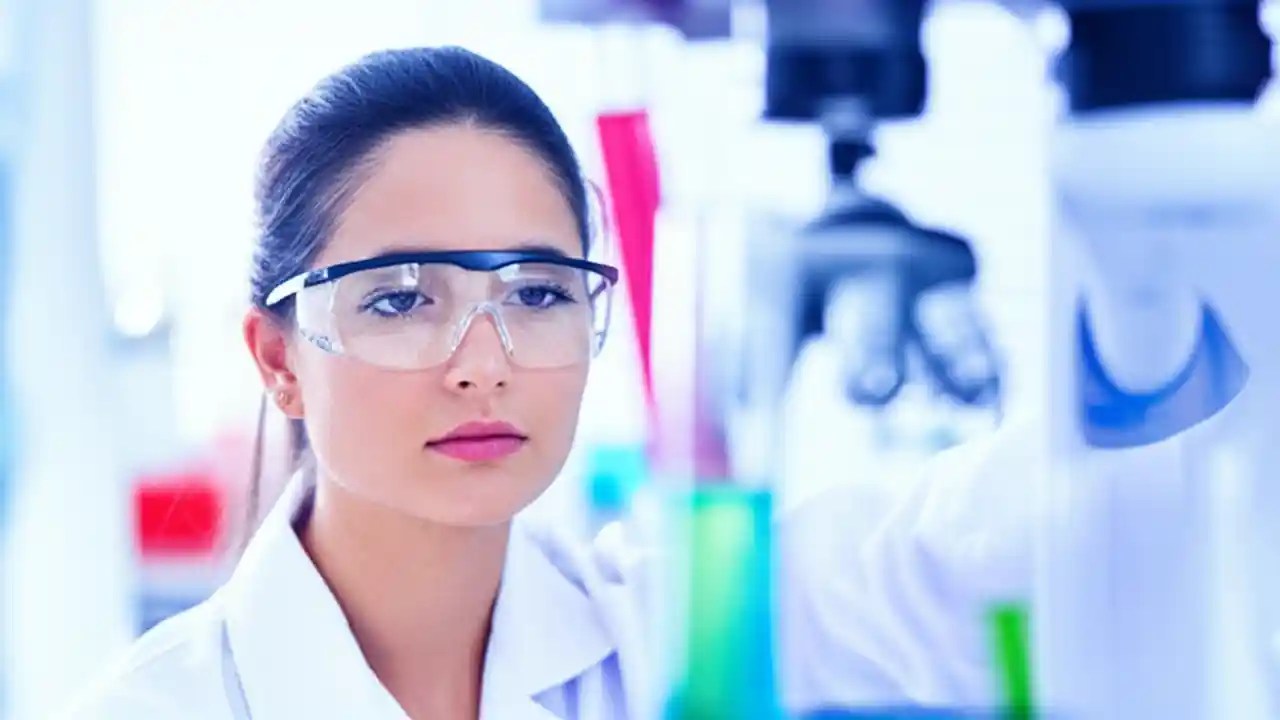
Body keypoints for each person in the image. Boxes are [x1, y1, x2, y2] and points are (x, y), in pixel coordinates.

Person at [59, 45, 1009, 720]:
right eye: (398, 300)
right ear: (278, 360)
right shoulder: (160, 705)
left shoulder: (684, 632)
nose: (485, 364)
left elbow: (1035, 531)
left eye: (539, 291)